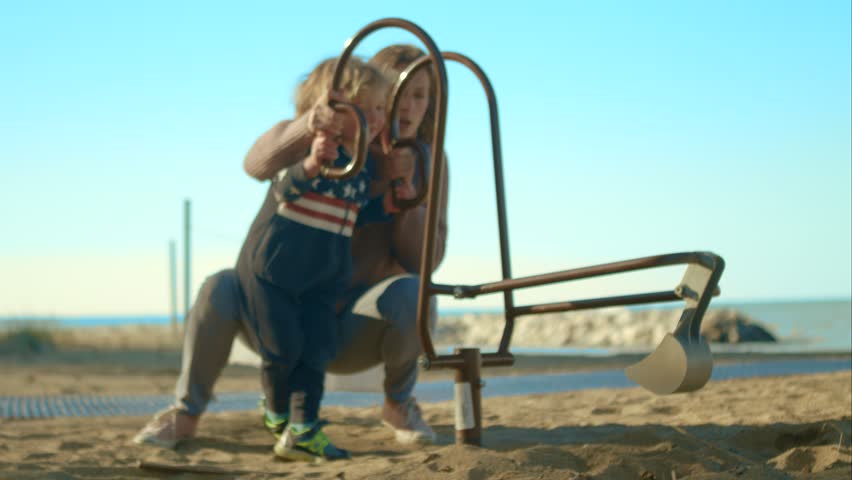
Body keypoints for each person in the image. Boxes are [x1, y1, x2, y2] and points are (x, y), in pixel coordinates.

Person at [133, 44, 448, 451]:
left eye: (419, 95)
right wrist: (310, 125)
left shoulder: (427, 159)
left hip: (349, 322)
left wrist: (408, 195)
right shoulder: (326, 138)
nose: (406, 107)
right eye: (396, 94)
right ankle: (186, 413)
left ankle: (398, 404)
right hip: (280, 304)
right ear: (365, 94)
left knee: (416, 293)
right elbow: (256, 164)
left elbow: (426, 260)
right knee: (219, 287)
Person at [236, 56, 410, 462]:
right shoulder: (315, 152)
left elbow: (352, 211)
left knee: (315, 350)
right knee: (283, 350)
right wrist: (313, 162)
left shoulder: (361, 165)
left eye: (384, 109)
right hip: (276, 270)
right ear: (337, 112)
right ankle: (277, 409)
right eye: (370, 109)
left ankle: (304, 429)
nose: (381, 119)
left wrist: (383, 204)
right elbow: (284, 184)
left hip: (322, 276)